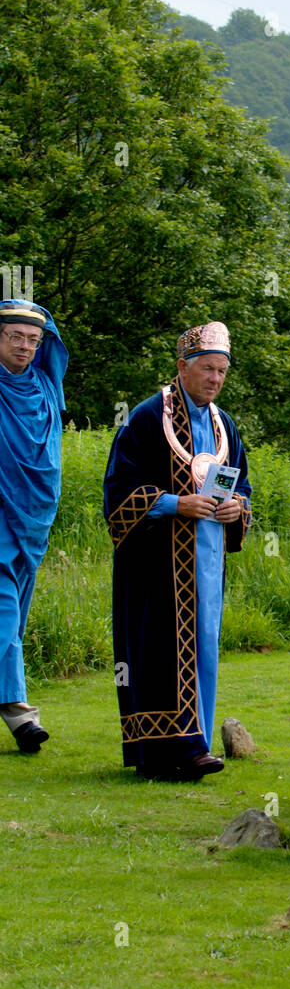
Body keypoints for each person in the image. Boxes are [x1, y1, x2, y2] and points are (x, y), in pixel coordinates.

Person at [103, 322, 251, 780]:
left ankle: (196, 742)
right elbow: (117, 489)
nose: (215, 379)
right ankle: (168, 750)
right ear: (183, 367)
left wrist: (237, 511)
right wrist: (173, 503)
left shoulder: (224, 424)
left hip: (205, 562)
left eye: (222, 371)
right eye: (207, 369)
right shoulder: (147, 417)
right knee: (157, 650)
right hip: (155, 562)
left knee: (201, 648)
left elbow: (241, 483)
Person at [0, 299, 68, 754]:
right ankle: (20, 712)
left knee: (14, 613)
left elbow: (49, 458)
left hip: (34, 517)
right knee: (2, 607)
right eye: (15, 337)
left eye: (33, 340)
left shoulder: (45, 387)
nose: (25, 346)